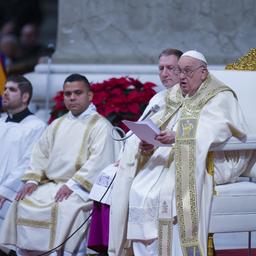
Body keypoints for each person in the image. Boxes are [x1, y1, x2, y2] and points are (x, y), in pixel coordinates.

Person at [108, 50, 254, 256]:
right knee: (138, 188)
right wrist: (151, 142)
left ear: (203, 72)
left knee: (166, 192)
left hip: (214, 158)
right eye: (180, 71)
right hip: (176, 152)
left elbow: (214, 128)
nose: (182, 77)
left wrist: (177, 137)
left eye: (187, 71)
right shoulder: (177, 95)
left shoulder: (219, 95)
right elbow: (160, 124)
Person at [0, 73, 121, 255]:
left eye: (77, 93)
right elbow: (39, 155)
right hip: (50, 185)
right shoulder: (57, 124)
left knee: (65, 208)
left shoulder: (100, 126)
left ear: (89, 96)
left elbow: (99, 161)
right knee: (22, 199)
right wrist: (32, 180)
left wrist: (73, 184)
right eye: (67, 94)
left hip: (80, 189)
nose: (72, 97)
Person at [87, 48, 183, 254]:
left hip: (173, 157)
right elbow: (140, 128)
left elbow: (191, 132)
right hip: (151, 155)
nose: (164, 73)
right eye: (161, 68)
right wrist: (132, 151)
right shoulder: (158, 99)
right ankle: (118, 247)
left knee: (141, 191)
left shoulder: (190, 100)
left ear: (183, 70)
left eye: (170, 68)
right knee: (108, 176)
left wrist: (166, 139)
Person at [0, 75, 45, 254]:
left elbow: (29, 161)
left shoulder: (37, 127)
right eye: (4, 89)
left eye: (11, 90)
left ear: (25, 97)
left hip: (10, 194)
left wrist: (4, 190)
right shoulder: (1, 122)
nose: (5, 93)